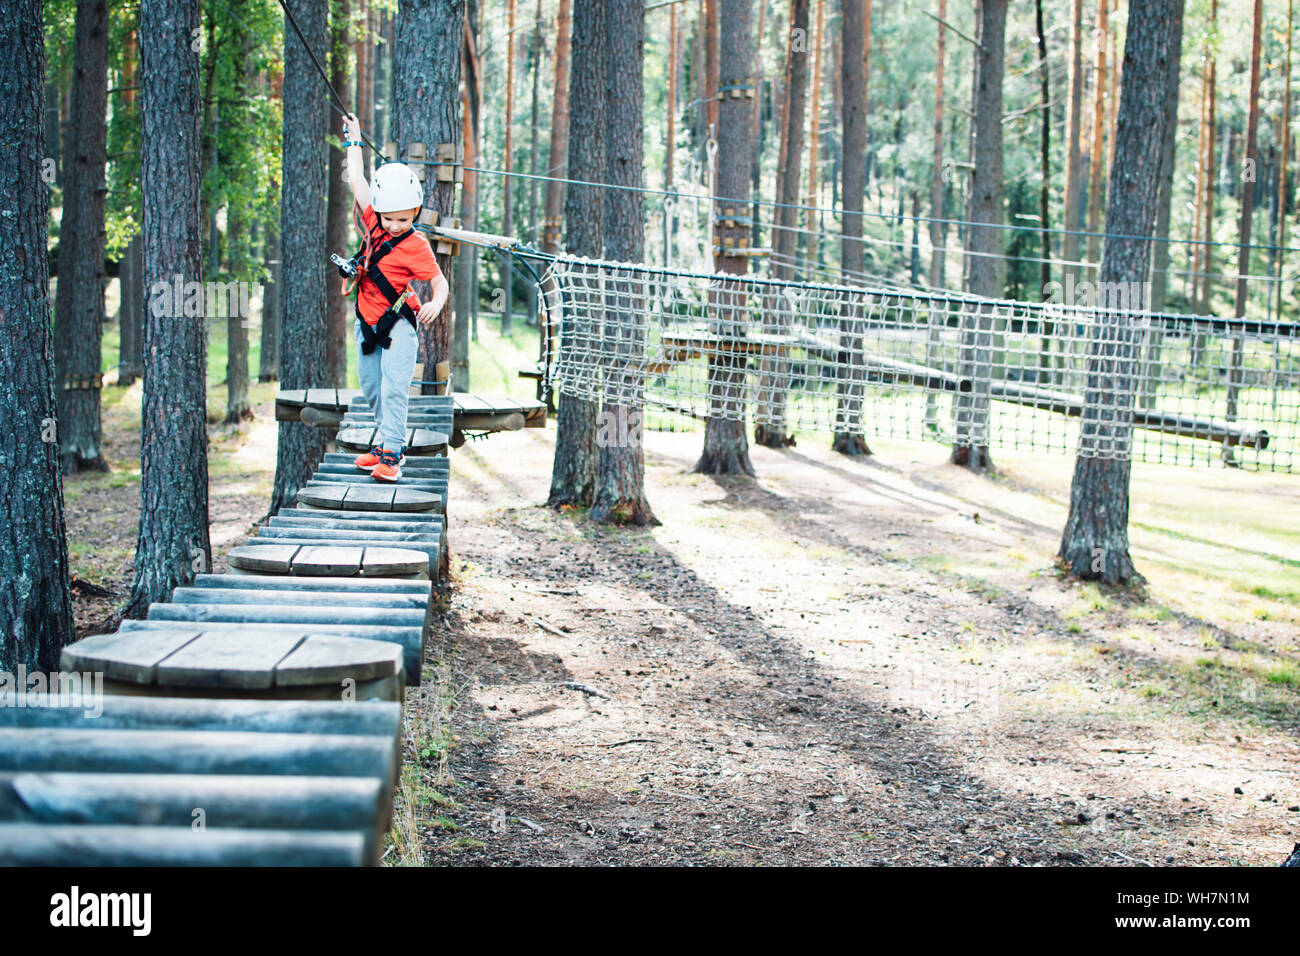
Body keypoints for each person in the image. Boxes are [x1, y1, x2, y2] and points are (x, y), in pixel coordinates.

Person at [340, 113, 449, 481]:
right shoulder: (373, 220)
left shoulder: (416, 245)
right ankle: (382, 445)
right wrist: (354, 138)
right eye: (390, 219)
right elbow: (356, 179)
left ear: (415, 212)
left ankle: (393, 455)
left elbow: (439, 282)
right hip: (367, 322)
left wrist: (435, 303)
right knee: (372, 387)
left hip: (398, 323)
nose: (395, 226)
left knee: (394, 387)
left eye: (404, 219)